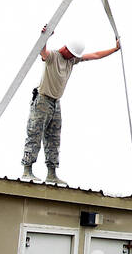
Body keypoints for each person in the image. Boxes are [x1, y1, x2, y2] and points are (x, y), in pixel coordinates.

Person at [21, 30, 120, 185]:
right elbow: (42, 51)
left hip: (55, 103)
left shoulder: (72, 60)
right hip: (42, 100)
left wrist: (115, 49)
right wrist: (45, 36)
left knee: (53, 138)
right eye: (72, 54)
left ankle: (51, 173)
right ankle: (27, 170)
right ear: (65, 49)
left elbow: (95, 55)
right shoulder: (53, 56)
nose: (73, 57)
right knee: (35, 134)